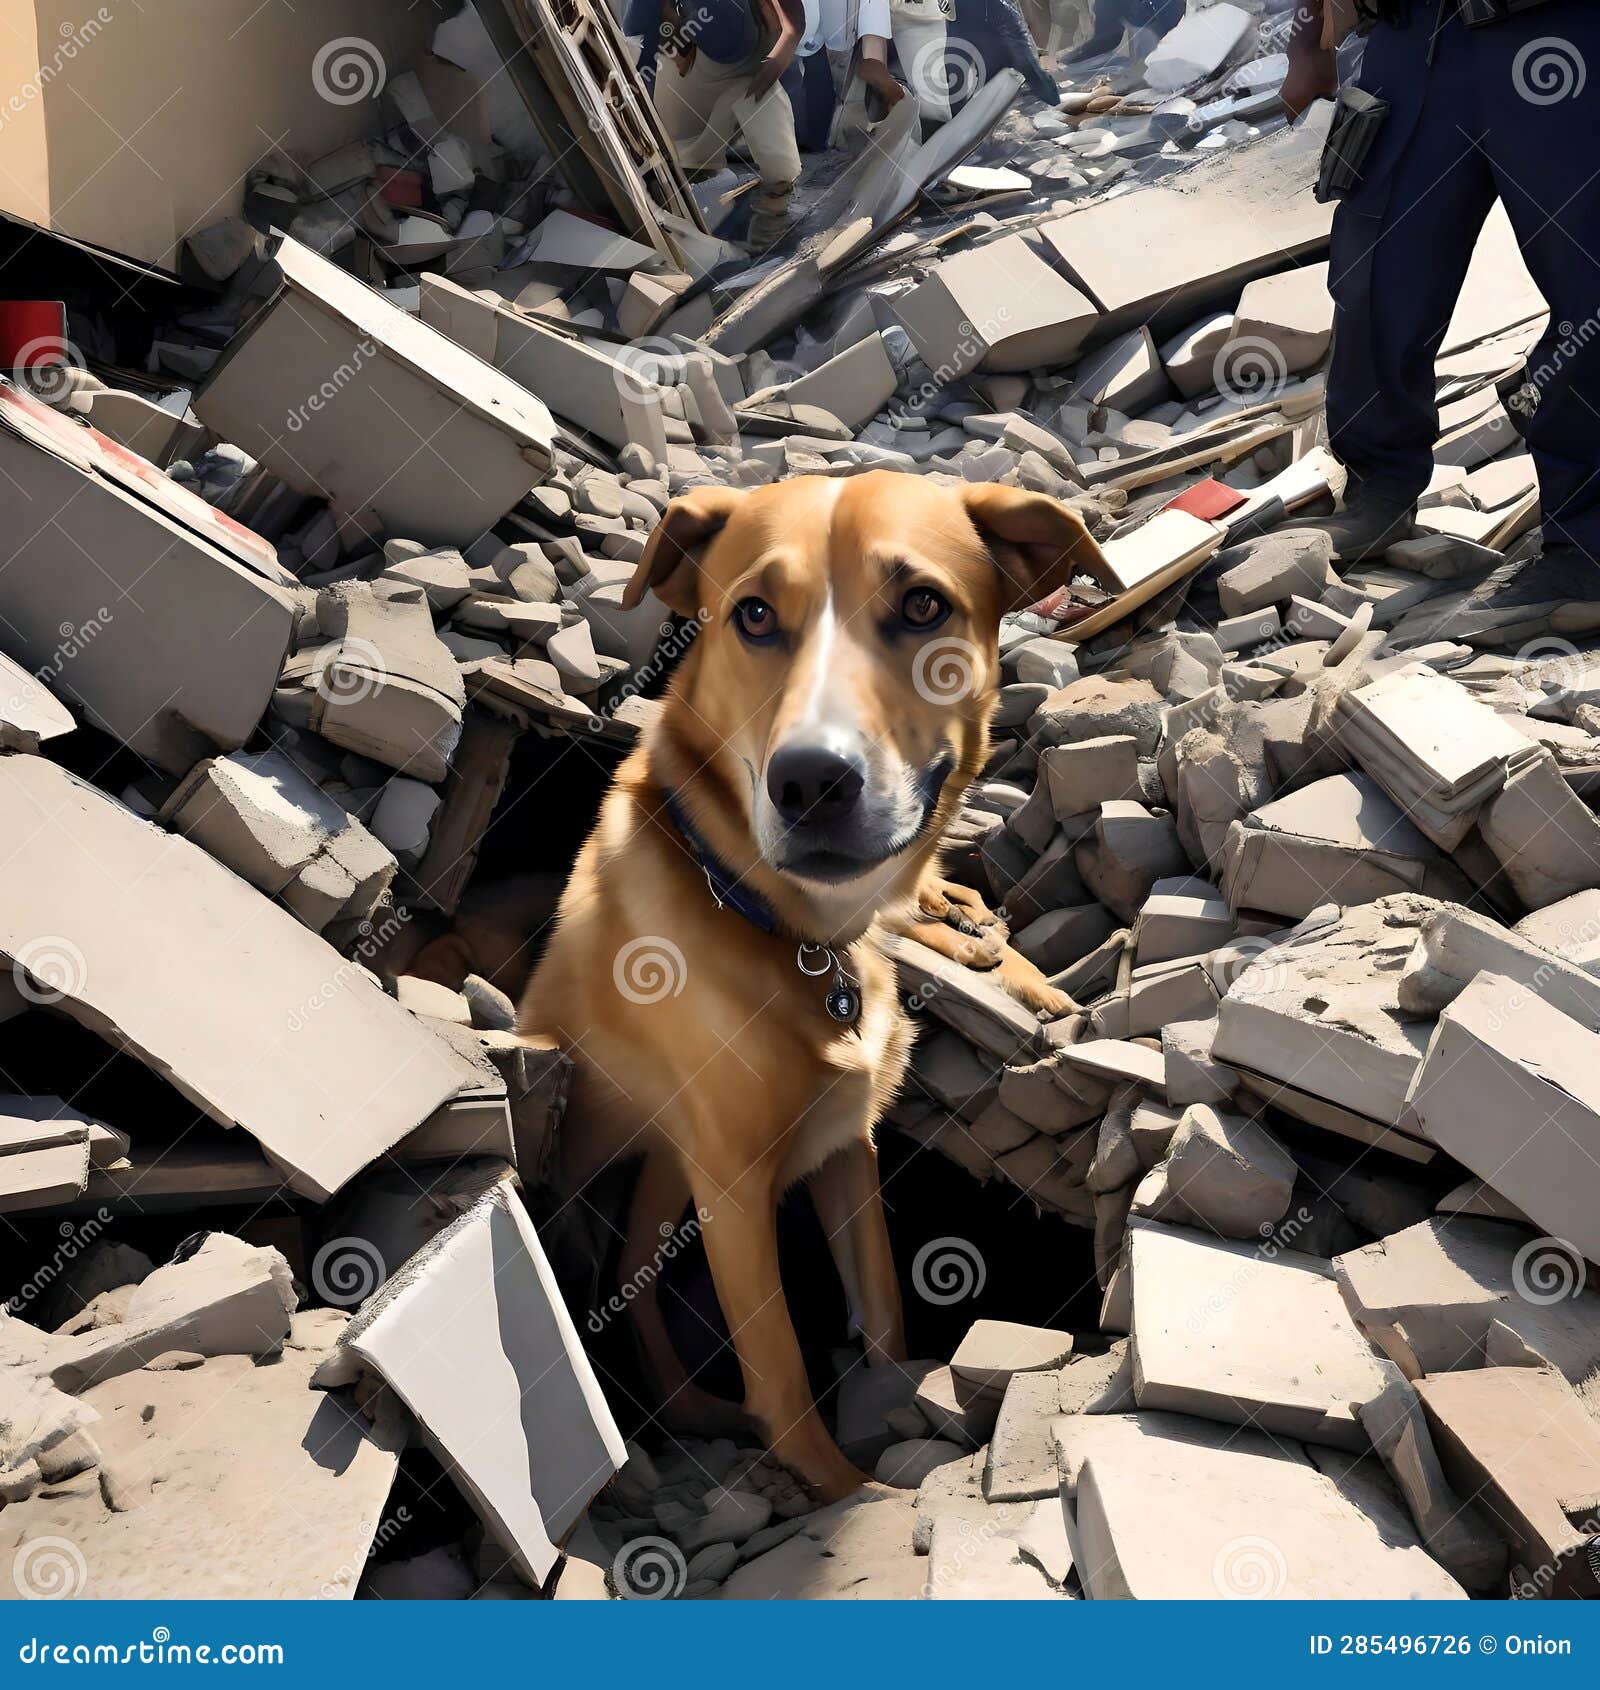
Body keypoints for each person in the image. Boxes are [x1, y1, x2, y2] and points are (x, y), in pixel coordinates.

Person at [1283, 0, 1600, 578]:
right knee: (1376, 274)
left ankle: (1586, 536)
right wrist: (1307, 45)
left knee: (1589, 284)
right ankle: (1379, 487)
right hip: (1411, 36)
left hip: (1558, 30)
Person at [652, 0, 807, 246]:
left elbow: (794, 27)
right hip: (694, 68)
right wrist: (675, 37)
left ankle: (773, 211)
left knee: (766, 108)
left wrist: (771, 68)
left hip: (747, 70)